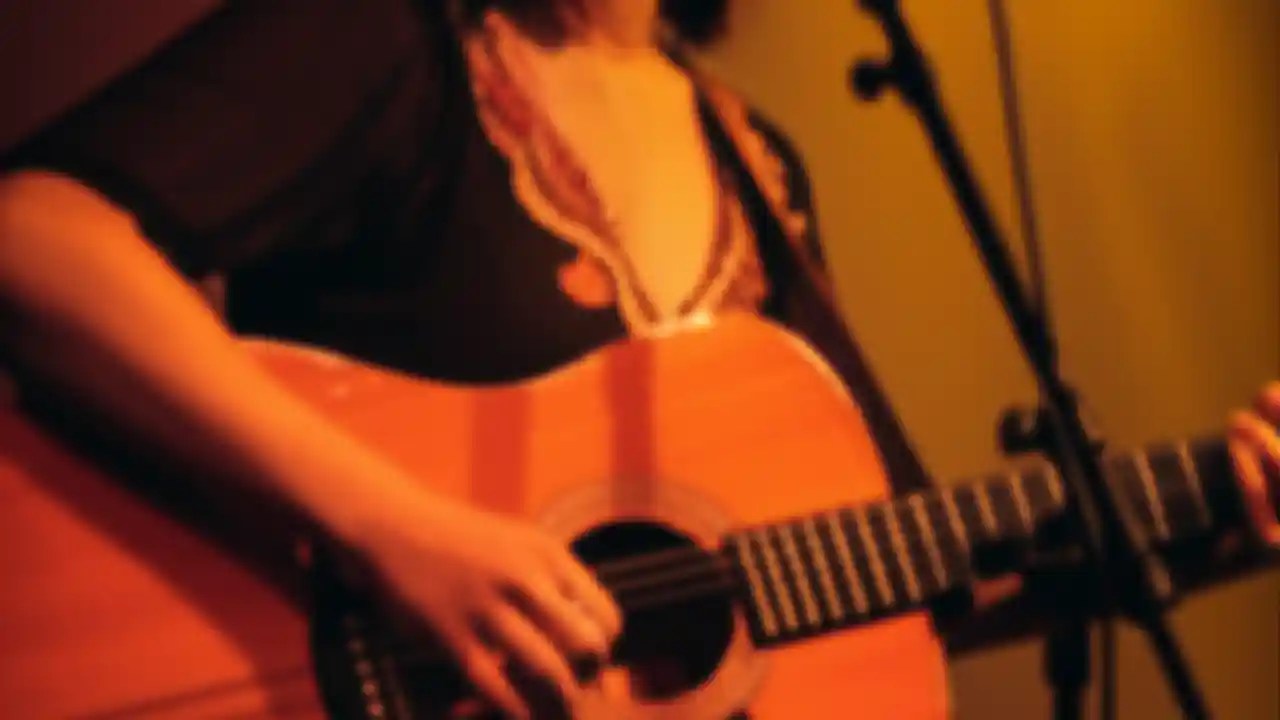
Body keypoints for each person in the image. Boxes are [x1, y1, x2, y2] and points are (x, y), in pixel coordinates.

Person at [0, 1, 1276, 718]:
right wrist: (389, 531)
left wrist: (1214, 518)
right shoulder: (388, 40)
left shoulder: (758, 163)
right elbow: (34, 239)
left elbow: (909, 580)